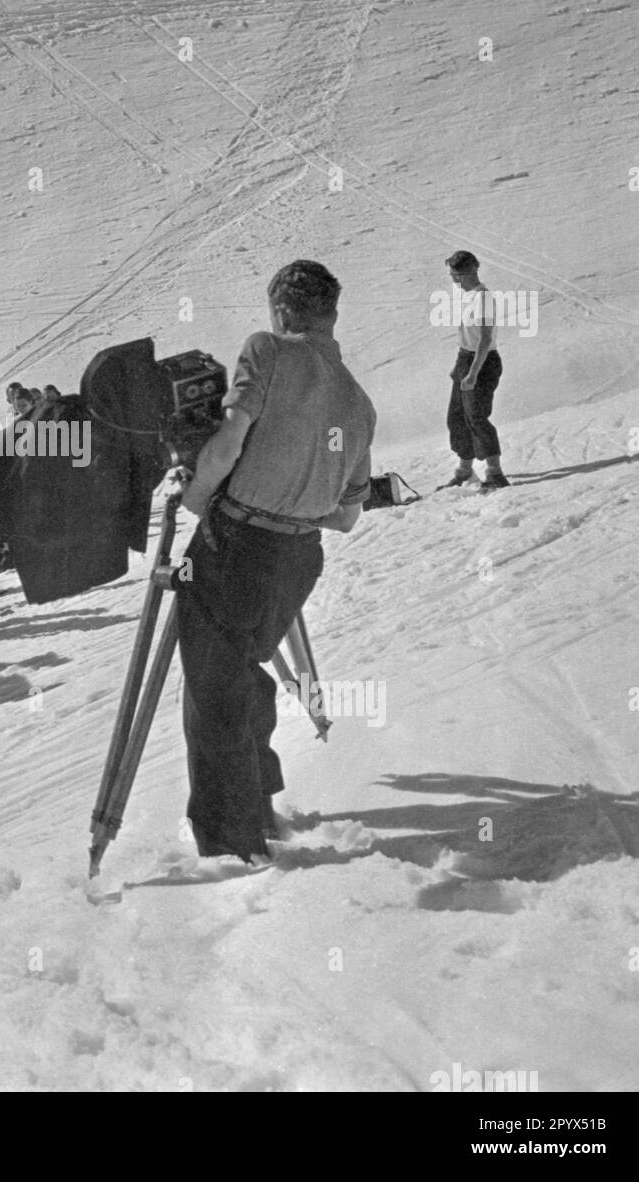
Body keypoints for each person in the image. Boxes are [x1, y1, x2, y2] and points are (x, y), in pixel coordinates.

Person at [178, 261, 376, 864]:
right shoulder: (359, 403)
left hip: (236, 543)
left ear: (283, 312)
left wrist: (195, 495)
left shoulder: (267, 350)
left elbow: (232, 437)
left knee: (213, 691)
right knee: (241, 670)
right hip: (298, 557)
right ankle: (258, 805)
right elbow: (346, 516)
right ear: (331, 314)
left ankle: (232, 846)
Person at [442, 249, 509, 491]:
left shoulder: (483, 298)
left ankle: (495, 474)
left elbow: (484, 339)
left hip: (483, 361)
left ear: (465, 273)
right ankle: (464, 471)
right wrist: (459, 368)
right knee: (457, 417)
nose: (452, 280)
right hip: (465, 359)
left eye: (454, 275)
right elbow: (467, 337)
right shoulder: (468, 296)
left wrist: (472, 373)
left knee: (477, 417)